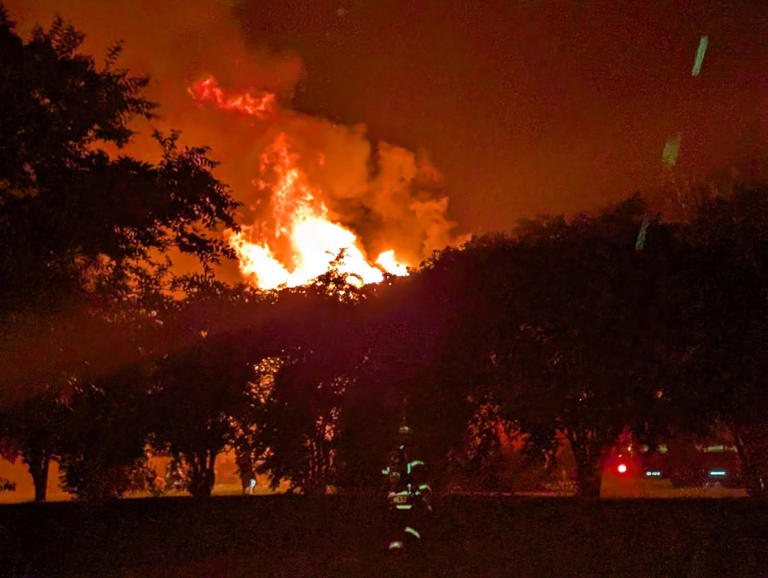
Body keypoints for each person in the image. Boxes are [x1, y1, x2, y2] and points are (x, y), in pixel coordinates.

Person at [381, 420, 433, 551]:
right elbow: (389, 475)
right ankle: (405, 543)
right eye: (402, 436)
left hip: (403, 495)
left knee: (402, 520)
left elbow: (419, 474)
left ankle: (402, 543)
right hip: (404, 495)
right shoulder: (397, 455)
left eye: (406, 436)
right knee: (405, 520)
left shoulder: (404, 454)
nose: (404, 438)